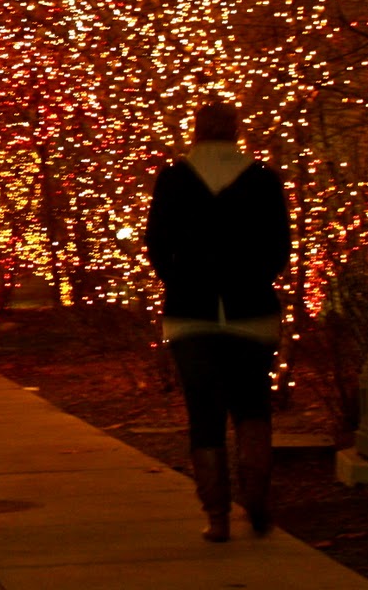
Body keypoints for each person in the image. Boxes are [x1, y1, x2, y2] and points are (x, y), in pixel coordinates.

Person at [144, 99, 291, 543]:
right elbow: (279, 246)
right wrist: (255, 277)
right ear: (236, 131)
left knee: (203, 413)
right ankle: (258, 500)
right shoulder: (263, 180)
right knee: (252, 406)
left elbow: (155, 243)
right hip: (252, 312)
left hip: (191, 314)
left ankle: (217, 516)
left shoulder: (173, 180)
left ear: (195, 131)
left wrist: (180, 278)